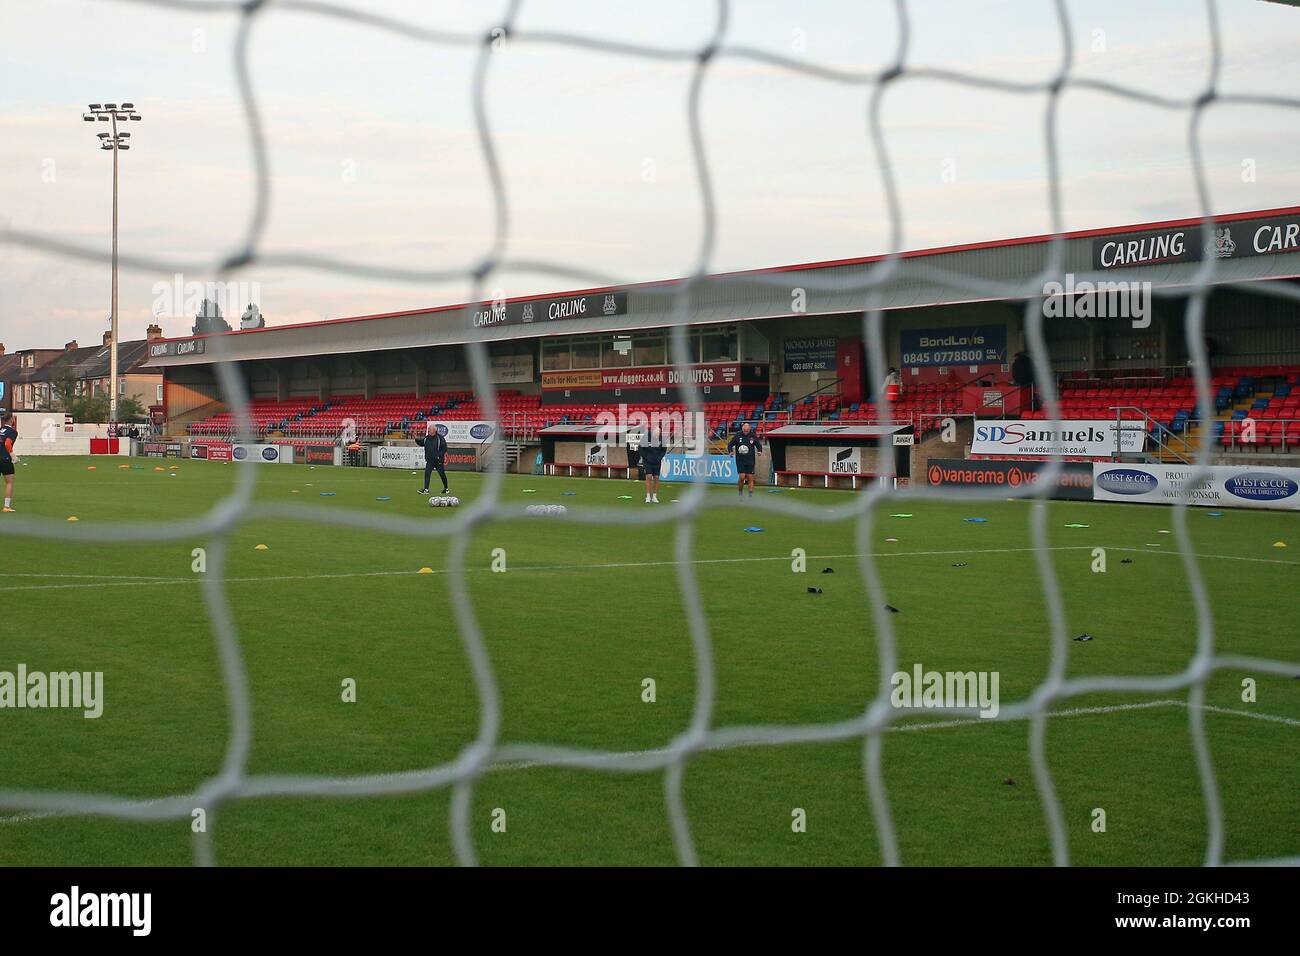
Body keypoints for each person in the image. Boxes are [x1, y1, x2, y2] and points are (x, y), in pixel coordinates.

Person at [727, 421, 762, 497]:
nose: (746, 432)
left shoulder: (753, 436)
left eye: (747, 430)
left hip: (750, 460)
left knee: (750, 477)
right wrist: (730, 451)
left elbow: (758, 445)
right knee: (742, 477)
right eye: (744, 430)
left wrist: (759, 451)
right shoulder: (738, 435)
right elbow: (730, 444)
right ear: (742, 429)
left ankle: (750, 495)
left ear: (749, 429)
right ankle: (740, 492)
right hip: (740, 460)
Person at [416, 423, 449, 496]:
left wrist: (439, 456)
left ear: (434, 430)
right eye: (428, 430)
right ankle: (426, 489)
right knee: (427, 474)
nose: (428, 431)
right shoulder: (426, 438)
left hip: (438, 461)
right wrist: (416, 439)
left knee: (442, 474)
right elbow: (421, 443)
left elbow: (444, 448)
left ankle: (446, 488)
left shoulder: (440, 438)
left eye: (429, 430)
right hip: (429, 460)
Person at [638, 429, 666, 503]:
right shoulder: (646, 437)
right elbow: (640, 449)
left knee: (656, 477)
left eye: (658, 435)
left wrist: (659, 458)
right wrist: (646, 457)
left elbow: (664, 450)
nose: (657, 436)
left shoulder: (662, 439)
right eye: (655, 435)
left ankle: (654, 496)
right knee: (649, 476)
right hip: (647, 461)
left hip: (657, 461)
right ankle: (647, 496)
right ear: (653, 433)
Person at [1, 413, 17, 513]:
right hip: (5, 459)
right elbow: (7, 443)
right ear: (11, 420)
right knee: (9, 482)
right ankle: (6, 506)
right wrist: (12, 455)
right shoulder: (12, 431)